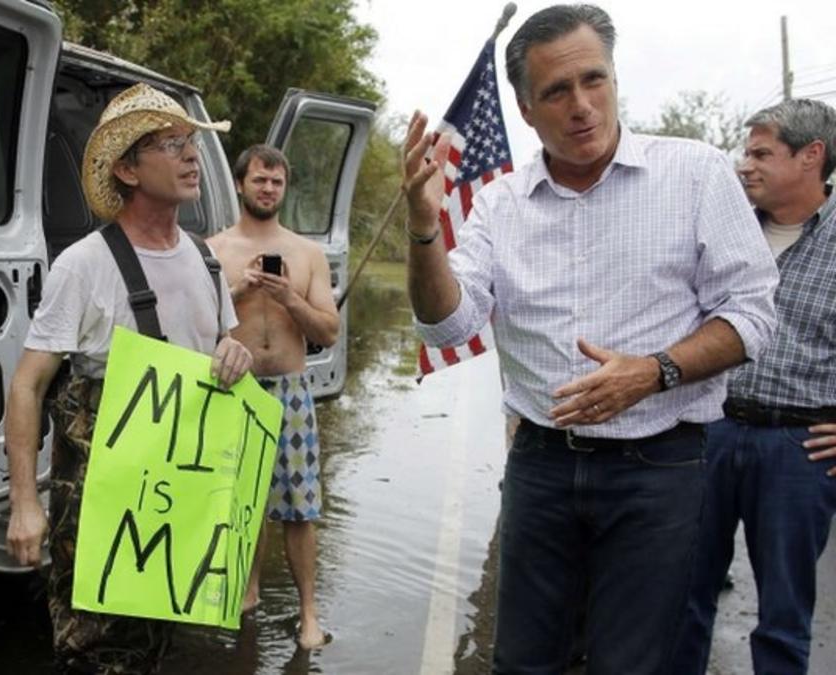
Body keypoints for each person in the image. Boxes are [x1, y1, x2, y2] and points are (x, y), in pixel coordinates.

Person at [403, 5, 779, 673]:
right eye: (556, 91)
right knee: (522, 660)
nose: (581, 105)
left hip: (661, 467)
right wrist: (425, 228)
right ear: (524, 108)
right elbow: (448, 322)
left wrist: (654, 371)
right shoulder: (499, 202)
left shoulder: (694, 174)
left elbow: (751, 314)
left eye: (594, 80)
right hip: (542, 463)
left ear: (613, 77)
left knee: (630, 662)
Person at [4, 82, 253, 674]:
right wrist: (23, 503)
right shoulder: (84, 265)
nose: (192, 156)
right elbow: (26, 386)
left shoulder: (204, 258)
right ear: (127, 169)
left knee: (155, 648)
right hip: (99, 512)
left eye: (192, 143)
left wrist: (235, 356)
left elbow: (224, 347)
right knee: (93, 655)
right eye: (172, 144)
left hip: (176, 507)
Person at [672, 98, 836, 675]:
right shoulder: (726, 226)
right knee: (683, 598)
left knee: (784, 617)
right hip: (707, 431)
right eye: (746, 152)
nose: (746, 165)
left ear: (811, 156)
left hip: (797, 450)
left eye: (762, 153)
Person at [207, 144, 338, 649]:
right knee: (242, 500)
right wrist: (240, 287)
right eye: (259, 180)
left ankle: (309, 613)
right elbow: (196, 325)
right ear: (241, 184)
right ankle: (246, 592)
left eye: (276, 182)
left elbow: (328, 331)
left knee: (300, 509)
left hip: (291, 391)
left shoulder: (307, 254)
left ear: (285, 188)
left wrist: (288, 296)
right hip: (231, 389)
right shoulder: (212, 250)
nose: (267, 189)